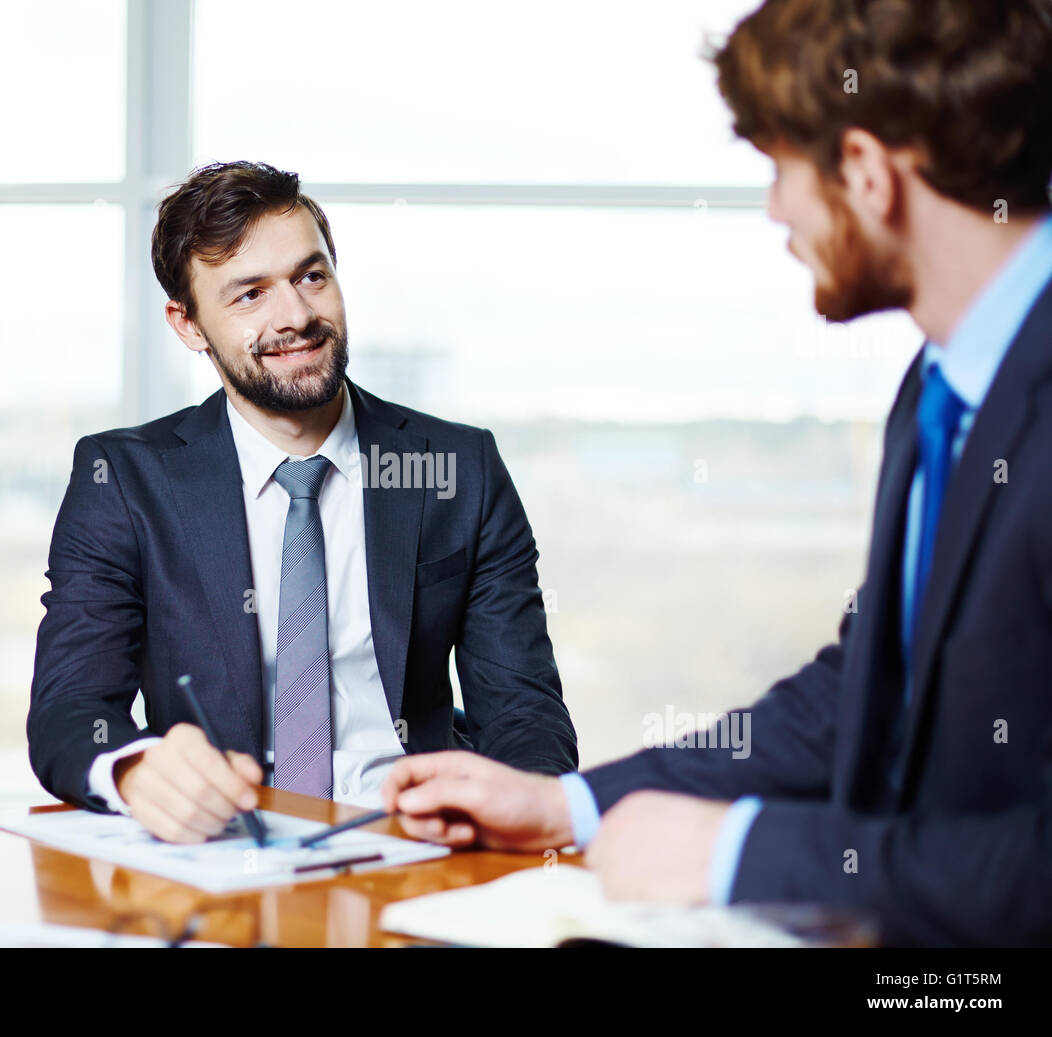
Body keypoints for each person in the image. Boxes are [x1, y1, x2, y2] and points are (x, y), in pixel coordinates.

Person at [381, 0, 1052, 947]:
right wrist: (567, 805)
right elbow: (861, 689)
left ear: (865, 172)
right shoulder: (940, 385)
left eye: (782, 169)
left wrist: (740, 852)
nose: (775, 209)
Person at [28, 161, 577, 841]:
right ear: (189, 324)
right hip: (223, 840)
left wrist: (514, 813)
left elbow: (526, 711)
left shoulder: (459, 469)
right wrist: (140, 771)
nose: (296, 316)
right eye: (250, 294)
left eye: (311, 276)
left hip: (415, 831)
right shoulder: (125, 480)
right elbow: (70, 710)